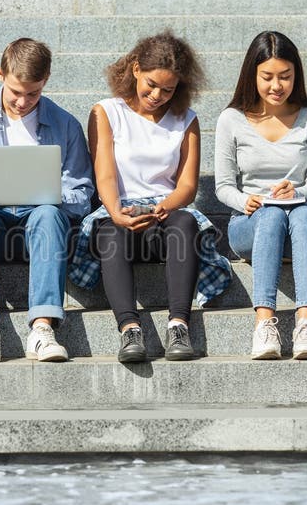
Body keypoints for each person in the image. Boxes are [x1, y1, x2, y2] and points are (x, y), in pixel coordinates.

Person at [69, 31, 231, 363]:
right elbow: (105, 174)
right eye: (152, 85)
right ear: (135, 69)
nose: (157, 95)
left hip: (164, 211)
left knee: (185, 222)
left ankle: (179, 325)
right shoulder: (106, 112)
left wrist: (163, 207)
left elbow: (186, 186)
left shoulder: (186, 120)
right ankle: (129, 329)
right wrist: (116, 212)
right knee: (111, 232)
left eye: (168, 90)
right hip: (119, 208)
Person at [0, 38, 95, 362]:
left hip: (40, 216)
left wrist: (48, 193)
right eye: (16, 92)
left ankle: (43, 328)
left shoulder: (65, 124)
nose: (22, 102)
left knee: (48, 214)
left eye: (33, 94)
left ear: (45, 81)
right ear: (0, 74)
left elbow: (83, 192)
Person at [214, 30, 307, 360]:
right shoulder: (231, 119)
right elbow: (223, 187)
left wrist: (297, 190)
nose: (276, 86)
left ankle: (306, 323)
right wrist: (245, 201)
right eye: (267, 77)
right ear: (252, 76)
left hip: (305, 222)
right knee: (270, 214)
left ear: (297, 76)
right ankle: (265, 324)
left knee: (305, 212)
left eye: (285, 77)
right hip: (251, 222)